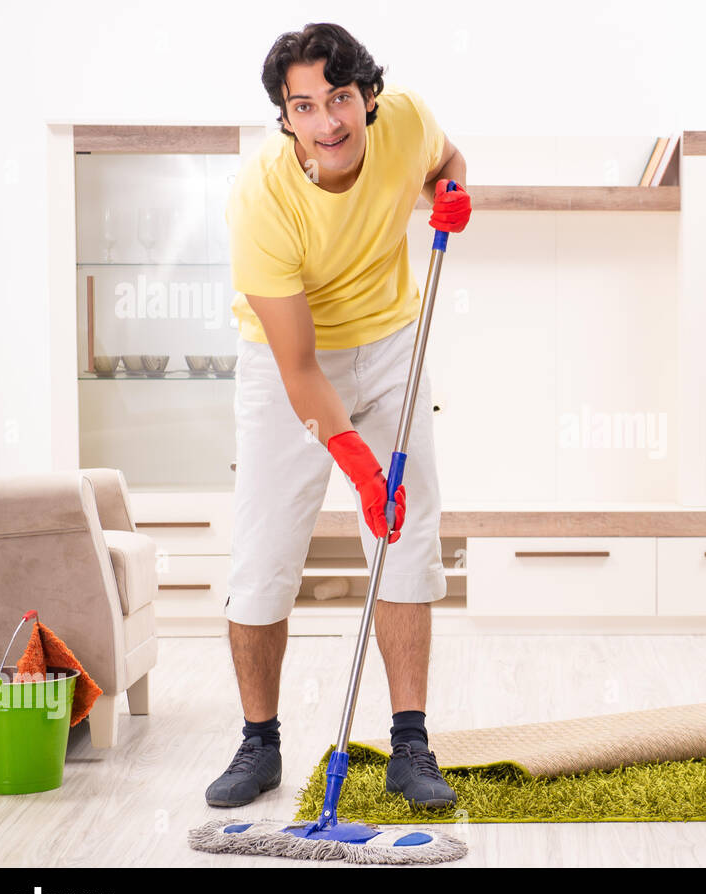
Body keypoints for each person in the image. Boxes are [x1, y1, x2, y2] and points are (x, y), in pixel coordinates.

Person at [204, 22, 471, 811]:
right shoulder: (260, 200)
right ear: (285, 118)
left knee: (409, 536)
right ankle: (260, 742)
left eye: (342, 99)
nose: (329, 122)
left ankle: (410, 743)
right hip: (287, 363)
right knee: (263, 553)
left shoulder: (409, 123)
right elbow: (299, 367)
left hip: (391, 344)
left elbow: (446, 160)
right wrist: (356, 464)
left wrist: (451, 193)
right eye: (306, 106)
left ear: (369, 97)